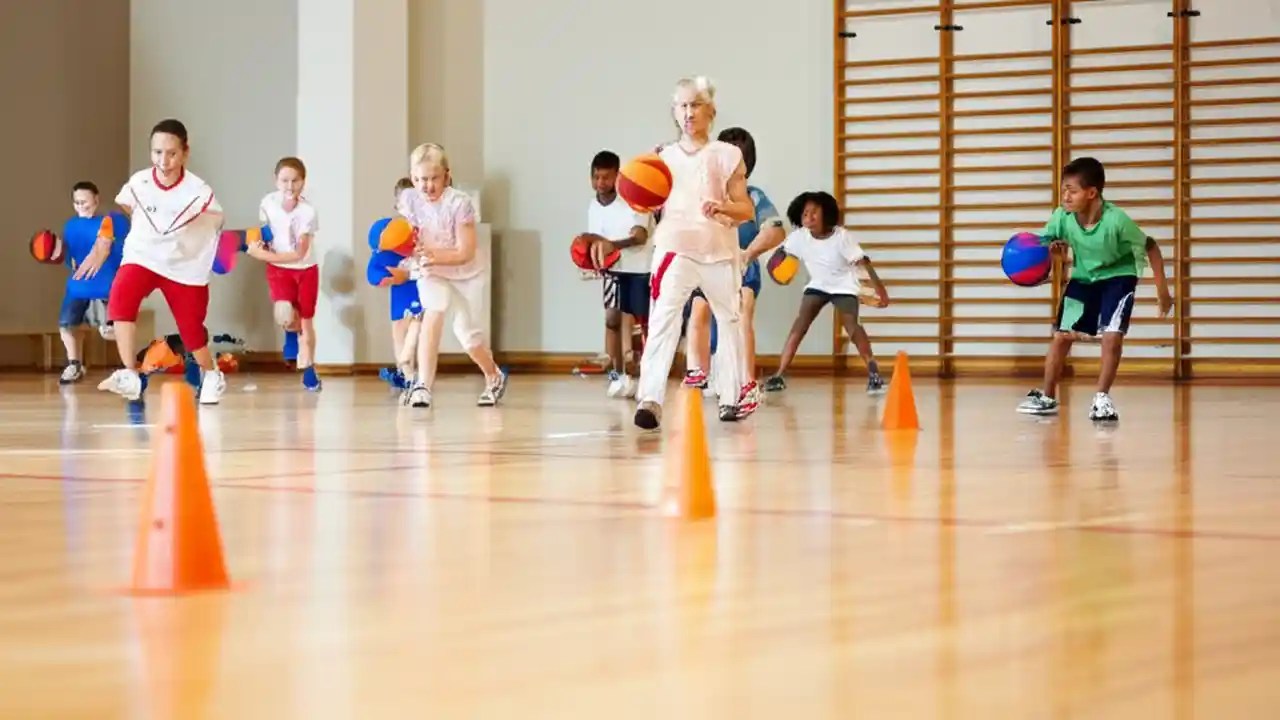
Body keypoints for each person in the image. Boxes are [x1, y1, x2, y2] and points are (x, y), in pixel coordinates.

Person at [633, 76, 757, 430]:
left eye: (696, 105)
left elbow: (746, 209)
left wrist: (723, 208)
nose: (689, 112)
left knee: (730, 321)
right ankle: (650, 399)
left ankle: (731, 398)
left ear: (711, 111)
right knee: (662, 323)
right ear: (675, 112)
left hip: (718, 252)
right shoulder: (660, 158)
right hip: (675, 251)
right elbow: (644, 203)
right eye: (683, 105)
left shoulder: (727, 154)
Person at [1018, 156, 1172, 420]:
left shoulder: (1116, 220)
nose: (1065, 195)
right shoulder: (1062, 217)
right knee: (1061, 335)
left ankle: (1101, 398)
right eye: (1063, 188)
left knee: (1112, 335)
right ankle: (1047, 396)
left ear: (1092, 193)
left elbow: (1151, 246)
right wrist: (1051, 257)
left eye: (1072, 190)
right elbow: (1043, 248)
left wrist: (1163, 291)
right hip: (1084, 277)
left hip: (1119, 276)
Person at [97, 118, 227, 404]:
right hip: (142, 257)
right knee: (120, 300)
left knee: (191, 332)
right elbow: (126, 205)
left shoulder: (199, 191)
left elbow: (216, 221)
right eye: (157, 152)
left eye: (171, 153)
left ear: (185, 152)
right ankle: (130, 374)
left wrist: (192, 243)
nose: (164, 160)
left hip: (184, 266)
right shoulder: (139, 182)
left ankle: (212, 374)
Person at [682, 126, 786, 405]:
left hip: (740, 268)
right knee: (698, 313)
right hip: (707, 266)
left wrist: (747, 254)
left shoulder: (754, 197)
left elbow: (775, 230)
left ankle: (746, 383)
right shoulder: (702, 197)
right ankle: (698, 377)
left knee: (743, 309)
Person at [398, 143, 506, 408]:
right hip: (432, 272)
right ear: (413, 178)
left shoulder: (459, 203)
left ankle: (493, 375)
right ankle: (423, 385)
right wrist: (401, 257)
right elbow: (406, 238)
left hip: (466, 274)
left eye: (434, 178)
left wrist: (433, 254)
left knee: (468, 335)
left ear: (447, 175)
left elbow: (465, 251)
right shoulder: (409, 201)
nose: (427, 185)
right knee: (433, 312)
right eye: (421, 179)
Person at [763, 191, 889, 393]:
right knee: (800, 324)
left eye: (814, 213)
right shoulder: (799, 237)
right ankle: (779, 374)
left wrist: (879, 289)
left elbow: (863, 263)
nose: (809, 218)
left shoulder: (842, 237)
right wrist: (775, 269)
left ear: (827, 215)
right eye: (805, 213)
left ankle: (873, 372)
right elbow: (780, 257)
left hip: (844, 286)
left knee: (852, 327)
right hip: (818, 285)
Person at [577, 150, 653, 399]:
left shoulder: (634, 200)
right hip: (612, 272)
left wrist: (614, 245)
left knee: (643, 328)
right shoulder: (593, 205)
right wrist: (589, 260)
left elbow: (639, 236)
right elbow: (597, 240)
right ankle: (617, 376)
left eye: (606, 178)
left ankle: (647, 379)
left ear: (617, 177)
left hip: (639, 269)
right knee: (611, 320)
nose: (601, 183)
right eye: (596, 177)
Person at [247, 156, 321, 391]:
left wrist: (263, 257)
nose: (290, 186)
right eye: (285, 180)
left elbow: (300, 253)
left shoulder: (308, 212)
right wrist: (258, 245)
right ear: (276, 180)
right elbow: (266, 232)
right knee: (284, 311)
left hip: (305, 270)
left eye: (295, 181)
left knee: (307, 323)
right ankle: (291, 335)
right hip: (279, 270)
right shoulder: (268, 203)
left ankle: (309, 369)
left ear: (303, 182)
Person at [56, 181, 126, 384]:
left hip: (106, 285)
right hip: (78, 286)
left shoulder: (113, 222)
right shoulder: (70, 226)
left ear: (96, 200)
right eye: (77, 203)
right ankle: (74, 364)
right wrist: (54, 252)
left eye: (85, 202)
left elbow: (117, 251)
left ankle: (129, 367)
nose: (81, 207)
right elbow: (69, 258)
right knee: (66, 325)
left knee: (113, 330)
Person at [380, 176, 423, 391]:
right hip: (400, 284)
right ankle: (406, 375)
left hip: (419, 281)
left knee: (417, 322)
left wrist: (411, 273)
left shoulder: (425, 229)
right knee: (398, 327)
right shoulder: (394, 233)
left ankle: (413, 370)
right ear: (397, 205)